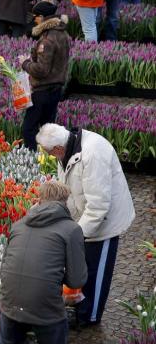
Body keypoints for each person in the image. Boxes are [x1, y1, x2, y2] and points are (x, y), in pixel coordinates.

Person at [0, 180, 87, 344]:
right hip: (45, 305)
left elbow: (5, 264)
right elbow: (76, 279)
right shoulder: (71, 229)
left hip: (10, 299)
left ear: (40, 200)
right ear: (65, 202)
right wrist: (54, 276)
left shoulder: (18, 224)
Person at [36, 123, 135, 327]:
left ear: (56, 149)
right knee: (84, 268)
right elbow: (66, 189)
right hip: (84, 216)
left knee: (97, 271)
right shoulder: (67, 150)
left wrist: (76, 235)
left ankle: (90, 316)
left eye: (49, 153)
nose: (51, 157)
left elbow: (99, 206)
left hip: (106, 222)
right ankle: (82, 308)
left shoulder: (92, 154)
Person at [16, 1, 70, 150]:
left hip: (42, 91)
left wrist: (25, 63)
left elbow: (41, 70)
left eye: (36, 16)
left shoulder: (47, 40)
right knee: (48, 129)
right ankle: (46, 158)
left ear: (42, 17)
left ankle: (33, 158)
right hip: (56, 88)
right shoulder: (62, 34)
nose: (34, 20)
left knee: (29, 128)